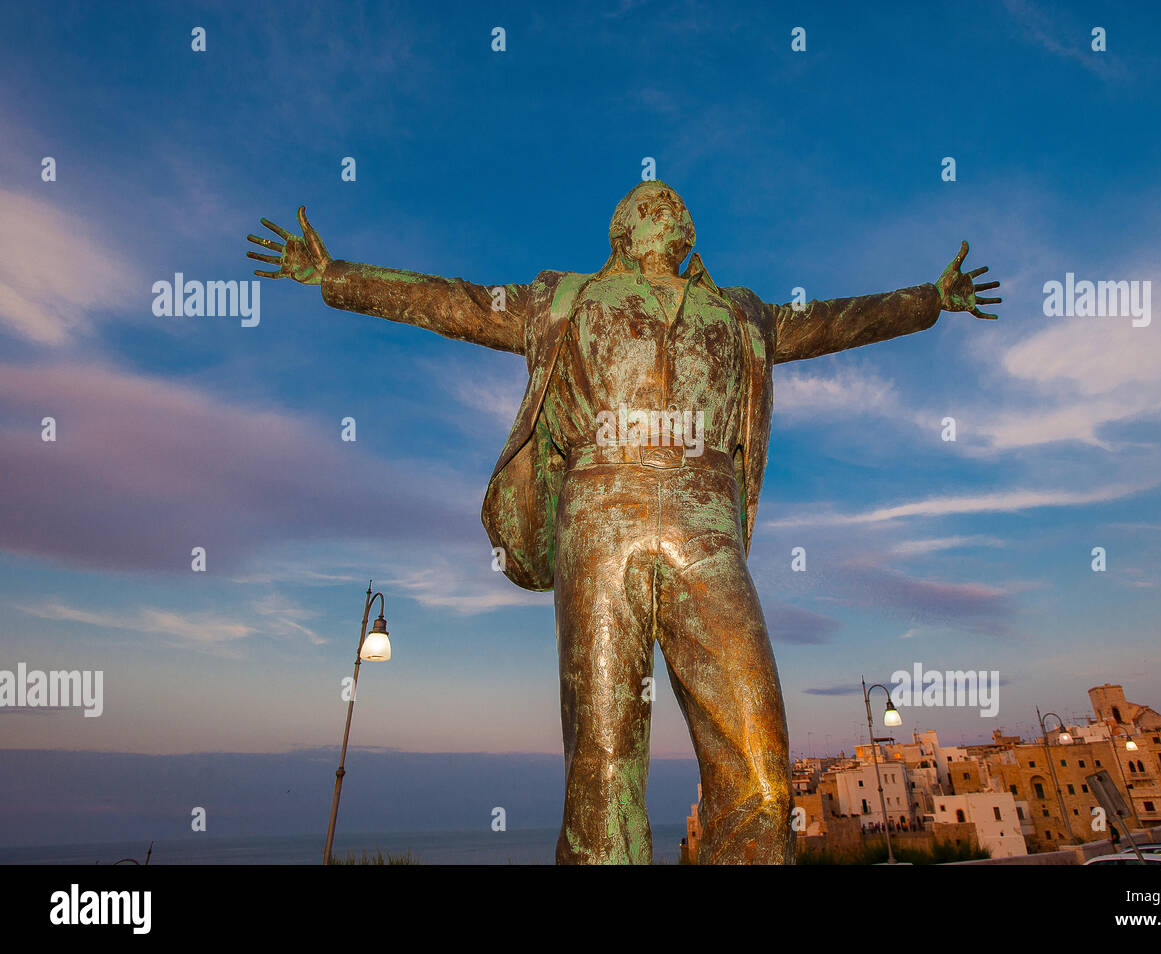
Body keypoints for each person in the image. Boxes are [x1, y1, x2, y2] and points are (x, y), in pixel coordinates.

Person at [248, 182, 998, 864]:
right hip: (598, 511)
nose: (664, 205)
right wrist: (335, 275)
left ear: (689, 234)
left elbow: (835, 321)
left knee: (761, 759)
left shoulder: (740, 313)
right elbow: (461, 304)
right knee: (603, 758)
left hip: (707, 523)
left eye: (674, 205)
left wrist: (930, 299)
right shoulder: (564, 299)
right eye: (647, 203)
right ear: (621, 233)